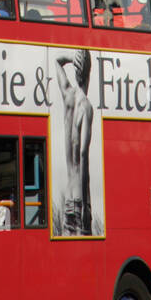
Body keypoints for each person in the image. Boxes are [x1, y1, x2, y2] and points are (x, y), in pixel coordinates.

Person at [55, 50, 94, 236]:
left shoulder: (67, 96)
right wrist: (86, 207)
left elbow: (56, 61)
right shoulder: (85, 107)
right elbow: (84, 155)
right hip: (79, 196)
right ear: (89, 73)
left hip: (68, 199)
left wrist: (72, 59)